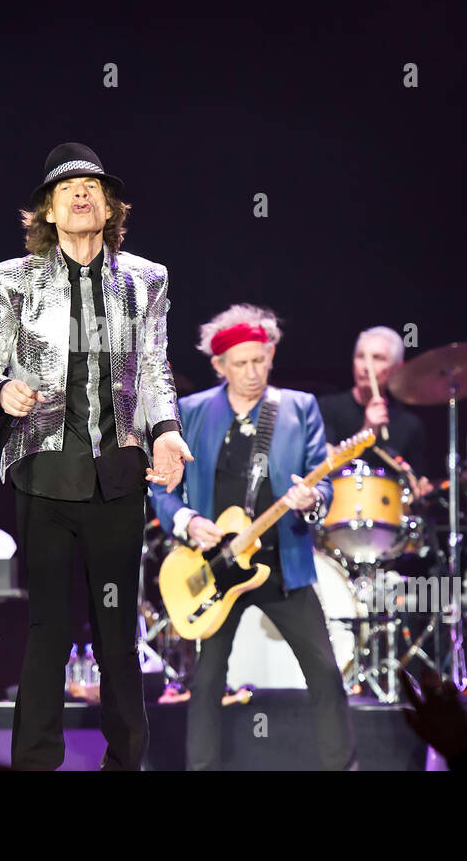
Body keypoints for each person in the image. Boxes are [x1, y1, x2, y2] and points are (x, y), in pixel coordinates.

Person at [0, 142, 191, 770]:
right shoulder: (12, 279)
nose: (81, 194)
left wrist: (166, 430)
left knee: (119, 636)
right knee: (48, 630)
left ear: (112, 204)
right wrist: (1, 391)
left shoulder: (146, 280)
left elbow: (152, 368)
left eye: (92, 185)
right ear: (47, 210)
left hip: (116, 477)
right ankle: (37, 764)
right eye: (66, 189)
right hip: (44, 473)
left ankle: (126, 764)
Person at [151, 304, 357, 770]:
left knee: (325, 673)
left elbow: (320, 482)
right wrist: (186, 520)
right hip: (218, 567)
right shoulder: (190, 411)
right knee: (206, 681)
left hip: (282, 564)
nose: (251, 372)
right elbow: (162, 489)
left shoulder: (299, 407)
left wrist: (313, 500)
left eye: (259, 361)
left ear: (271, 356)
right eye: (240, 363)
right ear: (219, 365)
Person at [318, 326, 433, 496]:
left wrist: (420, 489)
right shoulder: (326, 407)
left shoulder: (409, 423)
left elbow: (416, 481)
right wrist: (367, 431)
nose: (367, 366)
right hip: (337, 511)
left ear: (397, 368)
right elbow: (322, 467)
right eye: (361, 357)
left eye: (378, 358)